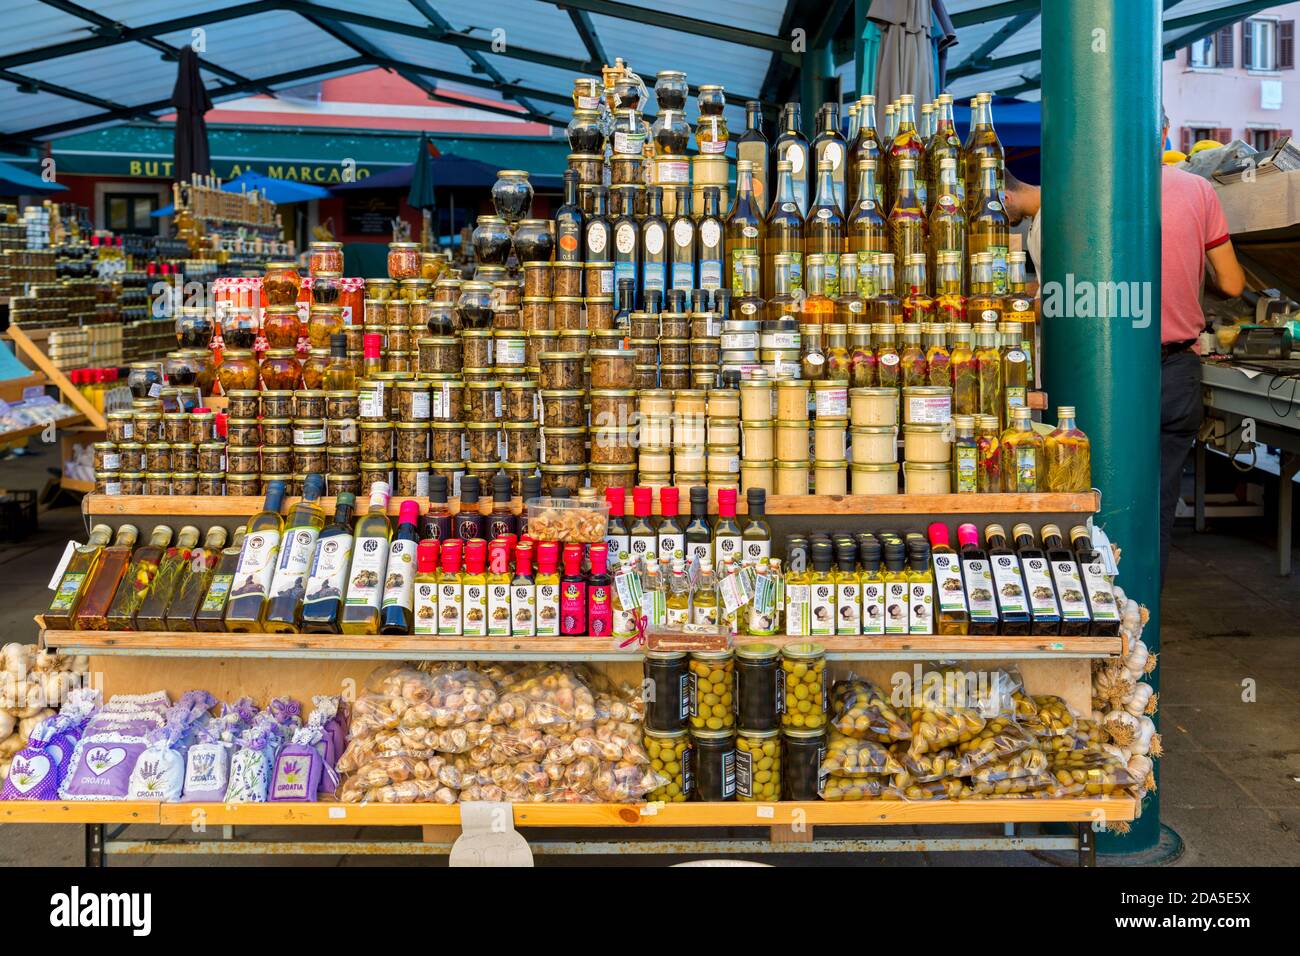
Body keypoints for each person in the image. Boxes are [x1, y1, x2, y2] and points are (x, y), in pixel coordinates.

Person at [1158, 108, 1245, 581]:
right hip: (1175, 369)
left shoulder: (1086, 187)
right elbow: (1232, 284)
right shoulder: (1197, 189)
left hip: (1104, 368)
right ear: (1165, 133)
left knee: (1095, 493)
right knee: (1160, 498)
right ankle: (1143, 614)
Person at [1002, 170, 1042, 275]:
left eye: (1000, 215)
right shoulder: (1035, 219)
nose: (1007, 223)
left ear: (1006, 198)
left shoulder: (1052, 216)